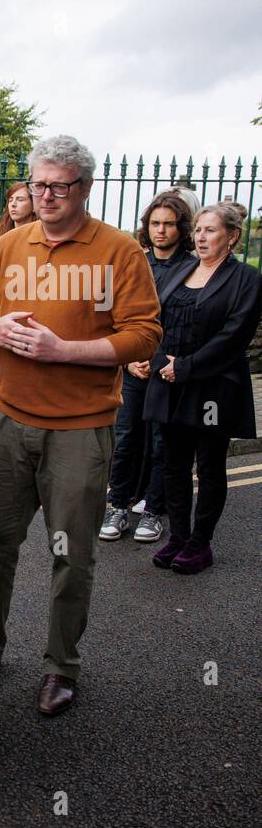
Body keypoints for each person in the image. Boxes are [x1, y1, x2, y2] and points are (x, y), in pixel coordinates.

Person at [0, 135, 162, 716]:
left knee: (71, 553)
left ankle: (60, 667)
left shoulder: (121, 251)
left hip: (81, 427)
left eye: (58, 186)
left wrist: (63, 349)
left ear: (86, 188)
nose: (44, 195)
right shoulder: (10, 244)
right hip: (8, 419)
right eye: (37, 184)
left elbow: (144, 336)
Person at [143, 202, 261, 574]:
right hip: (170, 380)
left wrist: (187, 367)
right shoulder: (182, 270)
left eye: (211, 230)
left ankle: (200, 543)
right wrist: (163, 362)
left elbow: (234, 335)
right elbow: (155, 318)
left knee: (209, 466)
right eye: (198, 229)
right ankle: (178, 537)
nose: (201, 236)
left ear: (232, 236)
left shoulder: (247, 279)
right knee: (172, 463)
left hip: (213, 385)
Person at [101, 191, 196, 544]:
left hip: (166, 370)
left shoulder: (192, 267)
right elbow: (111, 315)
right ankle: (117, 505)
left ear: (180, 228)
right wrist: (126, 358)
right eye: (155, 223)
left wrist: (155, 361)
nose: (161, 231)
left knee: (161, 444)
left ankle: (154, 511)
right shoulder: (133, 261)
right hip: (131, 368)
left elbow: (186, 325)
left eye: (169, 224)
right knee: (125, 440)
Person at [0, 182, 37, 264]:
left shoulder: (42, 237)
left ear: (34, 205)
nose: (13, 204)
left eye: (20, 200)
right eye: (10, 200)